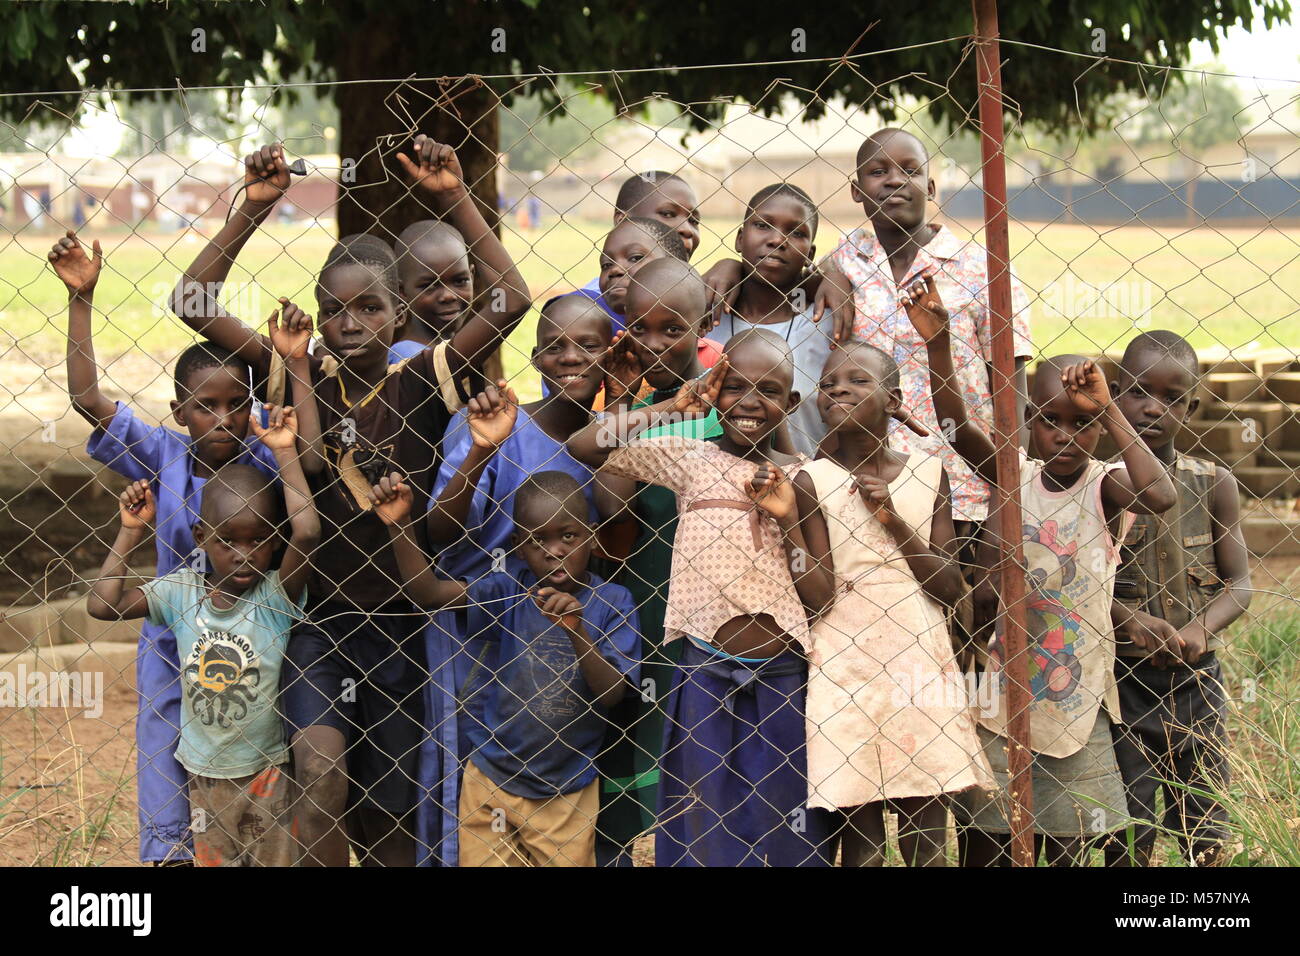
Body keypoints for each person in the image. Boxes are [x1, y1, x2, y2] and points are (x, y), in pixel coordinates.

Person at [170, 137, 529, 866]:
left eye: (371, 307)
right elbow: (191, 301)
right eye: (335, 310)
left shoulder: (425, 378)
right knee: (323, 776)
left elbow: (513, 299)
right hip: (316, 621)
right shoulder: (295, 372)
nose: (352, 322)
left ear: (401, 316)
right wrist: (254, 210)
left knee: (394, 810)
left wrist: (454, 195)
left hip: (403, 624)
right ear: (317, 316)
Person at [905, 274, 1177, 865]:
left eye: (1081, 424)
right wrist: (940, 346)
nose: (1065, 436)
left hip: (1073, 699)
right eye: (1051, 420)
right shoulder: (1012, 474)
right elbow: (953, 426)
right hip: (998, 693)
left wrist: (1109, 412)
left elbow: (1160, 495)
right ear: (1029, 420)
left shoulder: (1106, 487)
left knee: (1068, 843)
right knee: (987, 842)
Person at [50, 229, 299, 864]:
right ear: (179, 409)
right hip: (170, 639)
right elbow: (86, 399)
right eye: (205, 407)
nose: (222, 420)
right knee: (166, 770)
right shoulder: (162, 454)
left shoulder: (264, 454)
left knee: (258, 784)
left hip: (259, 639)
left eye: (236, 405)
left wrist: (287, 371)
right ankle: (166, 855)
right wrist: (82, 300)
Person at [570, 327, 838, 866]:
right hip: (704, 668)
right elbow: (588, 445)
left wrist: (785, 520)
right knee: (701, 812)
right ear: (715, 393)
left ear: (791, 401)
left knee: (783, 812)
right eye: (734, 387)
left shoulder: (802, 477)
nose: (749, 403)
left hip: (781, 675)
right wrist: (674, 403)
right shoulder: (691, 458)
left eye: (767, 391)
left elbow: (821, 593)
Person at [416, 293, 631, 864]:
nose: (572, 358)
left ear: (611, 354)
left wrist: (628, 411)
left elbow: (620, 538)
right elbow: (441, 530)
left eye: (589, 346)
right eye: (556, 346)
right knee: (470, 775)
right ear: (533, 359)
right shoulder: (499, 424)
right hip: (481, 623)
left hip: (566, 641)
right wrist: (481, 452)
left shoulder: (615, 431)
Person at [87, 404, 319, 867]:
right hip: (203, 779)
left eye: (258, 541)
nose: (242, 555)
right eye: (227, 540)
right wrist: (130, 531)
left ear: (276, 541)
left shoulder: (275, 597)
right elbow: (102, 604)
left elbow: (308, 530)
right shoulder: (179, 593)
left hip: (267, 774)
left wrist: (285, 452)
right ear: (200, 536)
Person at [369, 470, 640, 866]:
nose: (553, 551)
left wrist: (578, 632)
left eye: (568, 536)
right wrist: (399, 525)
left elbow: (613, 694)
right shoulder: (509, 589)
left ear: (592, 536)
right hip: (492, 780)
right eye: (537, 540)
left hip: (564, 790)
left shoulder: (613, 601)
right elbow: (428, 593)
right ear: (517, 546)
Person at [804, 341, 992, 865]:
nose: (838, 388)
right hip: (844, 655)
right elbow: (817, 588)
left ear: (893, 400)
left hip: (918, 653)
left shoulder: (928, 474)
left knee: (924, 797)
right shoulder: (811, 480)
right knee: (858, 807)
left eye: (858, 381)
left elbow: (949, 585)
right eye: (828, 383)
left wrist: (890, 519)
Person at [1104, 330, 1252, 867]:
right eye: (1139, 392)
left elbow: (1240, 584)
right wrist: (1127, 619)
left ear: (1190, 407)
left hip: (1197, 682)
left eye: (1171, 398)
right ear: (1115, 394)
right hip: (1122, 683)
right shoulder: (1100, 487)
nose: (1152, 409)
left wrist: (1200, 630)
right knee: (1128, 825)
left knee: (1205, 820)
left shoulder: (1214, 483)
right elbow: (1078, 584)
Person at [704, 183, 832, 457]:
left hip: (805, 487)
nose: (777, 240)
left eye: (796, 233)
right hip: (705, 484)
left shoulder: (826, 324)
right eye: (763, 225)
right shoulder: (705, 314)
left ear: (810, 254)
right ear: (740, 239)